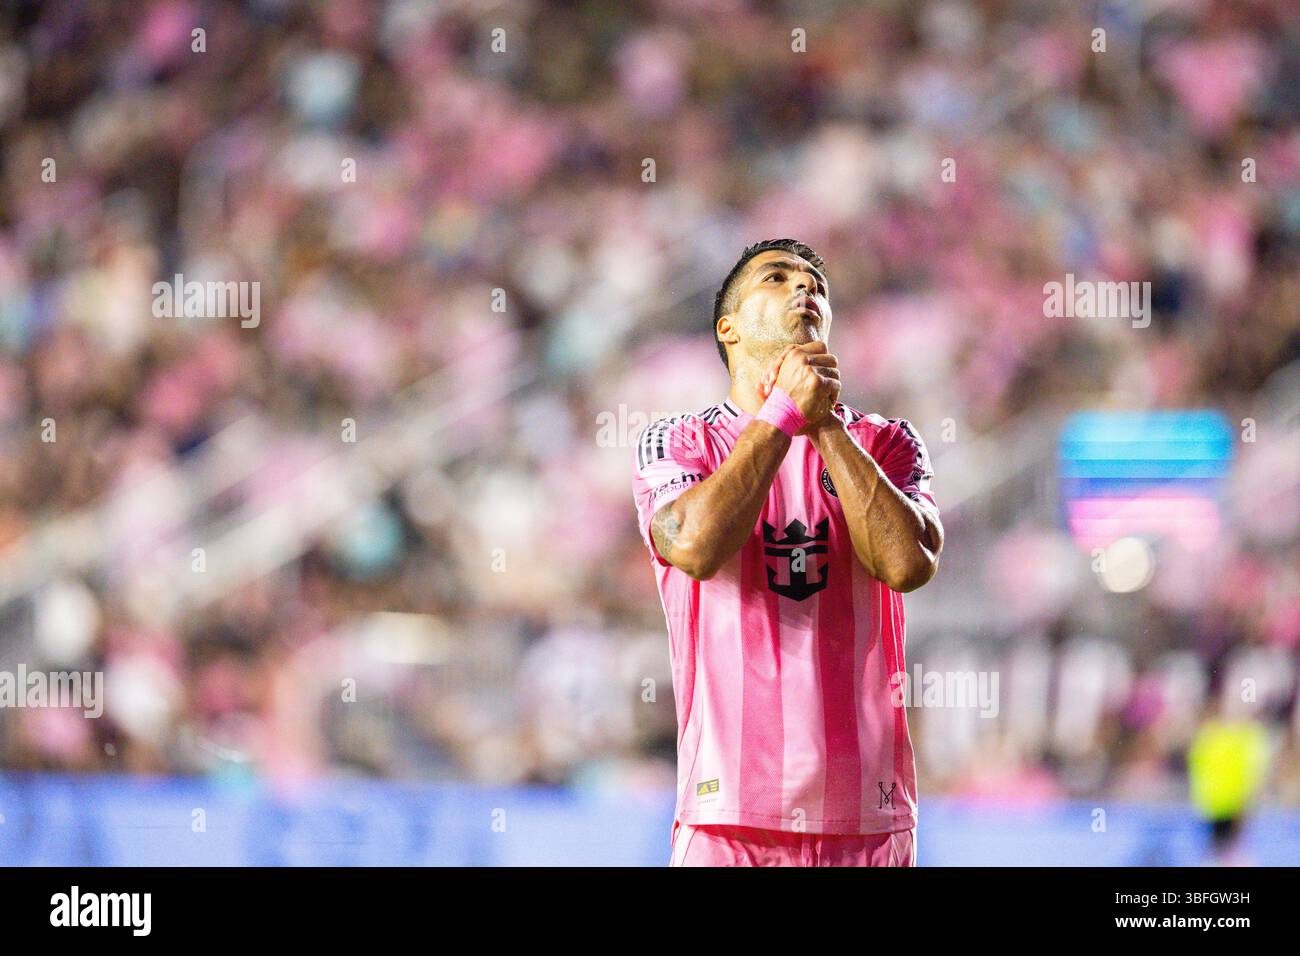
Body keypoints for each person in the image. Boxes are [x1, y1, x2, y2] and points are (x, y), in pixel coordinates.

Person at [632, 238, 944, 866]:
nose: (806, 290)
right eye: (776, 278)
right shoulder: (677, 441)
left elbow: (908, 565)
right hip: (728, 818)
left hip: (866, 821)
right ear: (729, 329)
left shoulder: (888, 442)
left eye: (818, 286)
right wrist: (782, 413)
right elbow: (694, 547)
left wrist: (822, 422)